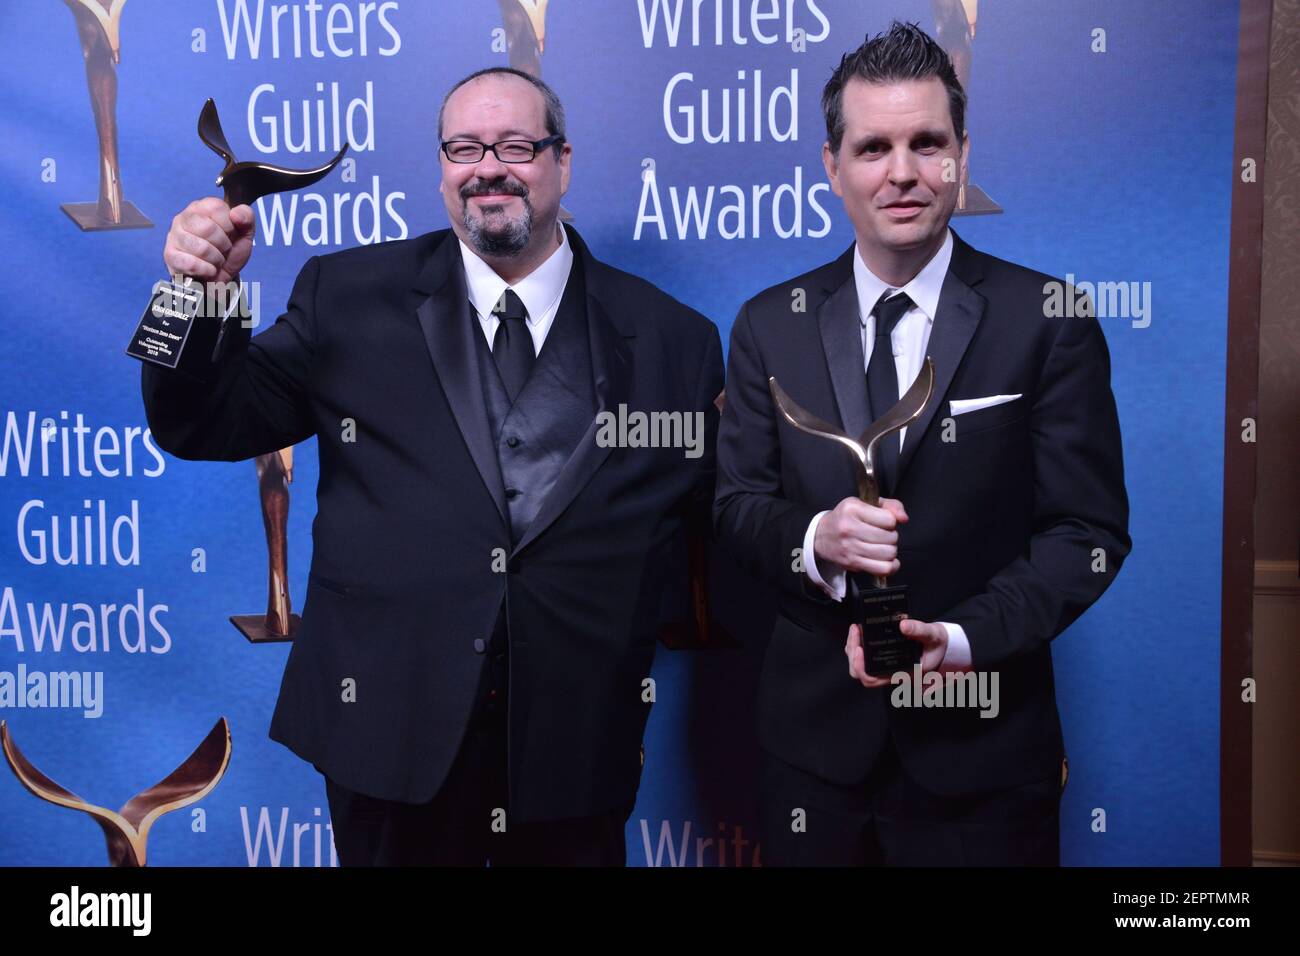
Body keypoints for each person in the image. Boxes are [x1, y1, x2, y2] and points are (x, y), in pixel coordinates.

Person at [141, 66, 723, 866]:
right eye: (463, 147)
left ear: (563, 159)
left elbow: (720, 523)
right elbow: (199, 423)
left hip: (574, 754)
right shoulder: (345, 296)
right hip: (385, 740)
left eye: (516, 144)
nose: (488, 166)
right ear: (442, 166)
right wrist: (194, 293)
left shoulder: (674, 341)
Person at [713, 22, 1131, 866]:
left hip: (984, 756)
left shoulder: (1048, 321)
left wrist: (963, 639)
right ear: (832, 167)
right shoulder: (768, 325)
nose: (901, 172)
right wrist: (814, 541)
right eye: (872, 147)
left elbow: (1085, 536)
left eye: (926, 143)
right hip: (811, 761)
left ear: (962, 156)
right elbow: (736, 507)